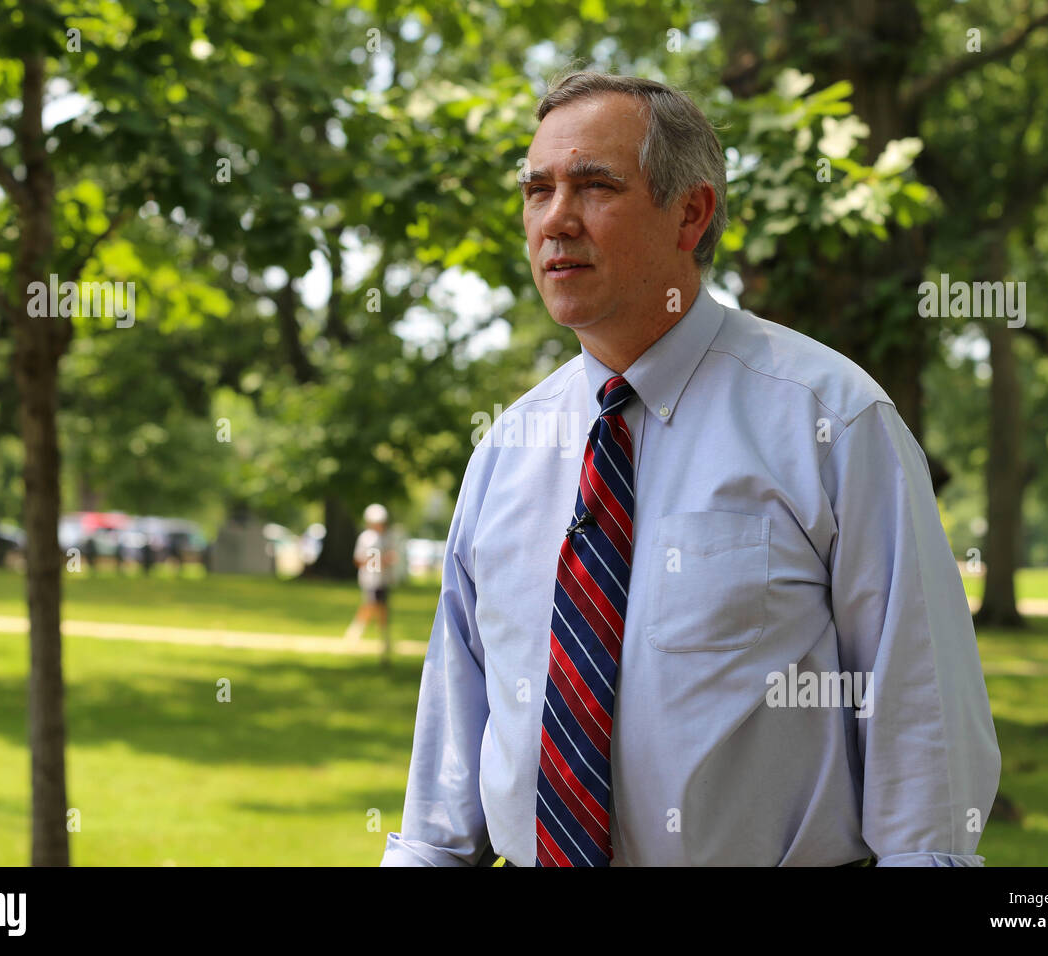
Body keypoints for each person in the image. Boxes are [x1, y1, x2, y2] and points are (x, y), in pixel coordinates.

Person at [380, 71, 1000, 867]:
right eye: (537, 192)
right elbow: (447, 778)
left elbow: (922, 732)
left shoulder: (831, 422)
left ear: (691, 212)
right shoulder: (505, 453)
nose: (556, 221)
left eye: (594, 186)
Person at [344, 504, 398, 665]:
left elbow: (392, 557)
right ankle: (355, 634)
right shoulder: (366, 538)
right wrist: (376, 561)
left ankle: (383, 642)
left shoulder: (387, 537)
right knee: (371, 607)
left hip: (383, 580)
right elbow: (359, 559)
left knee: (381, 610)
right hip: (370, 580)